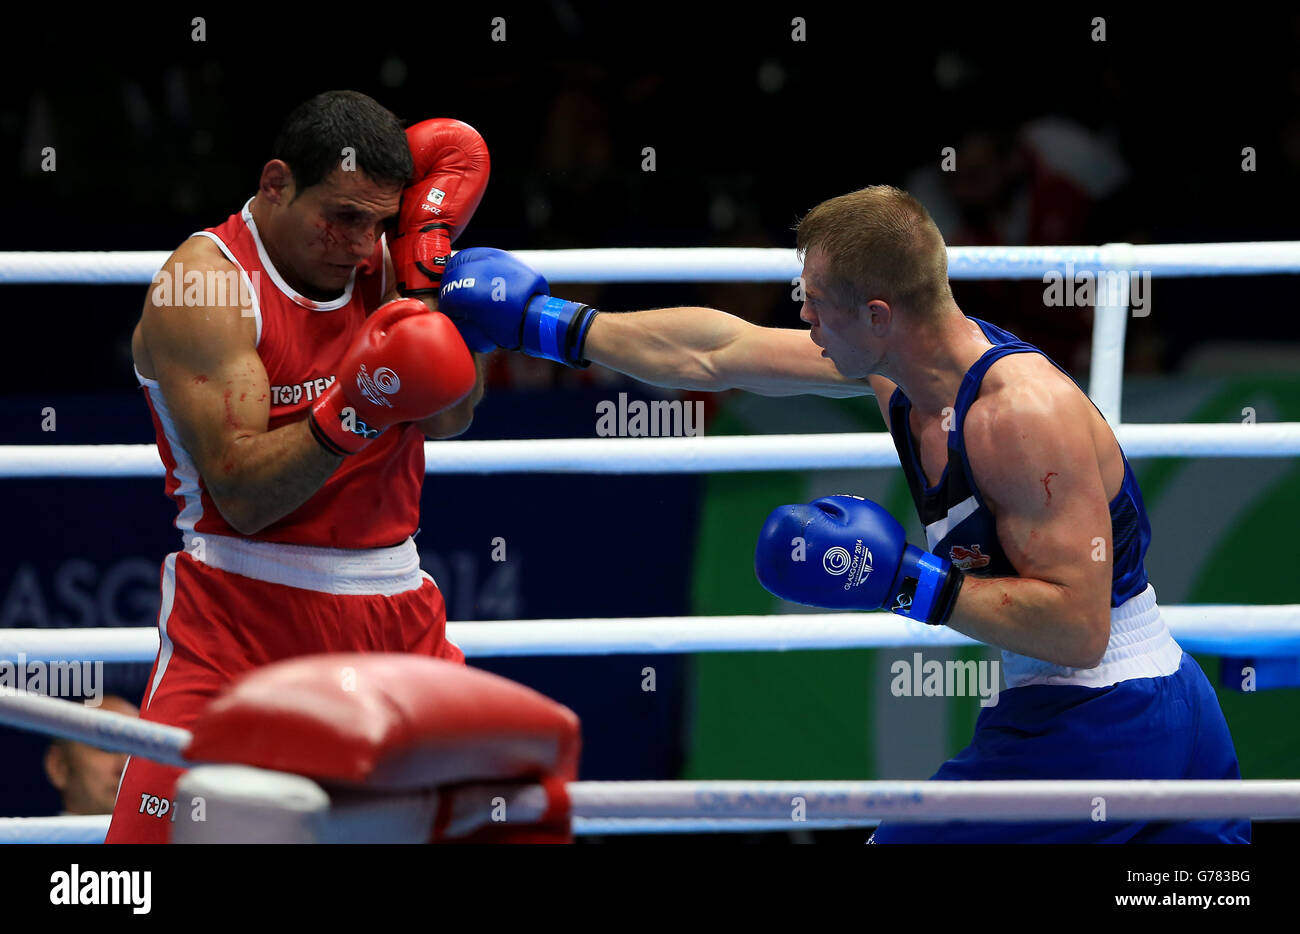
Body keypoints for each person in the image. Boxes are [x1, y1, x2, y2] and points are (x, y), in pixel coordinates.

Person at [435, 184, 1249, 844]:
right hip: (1101, 708)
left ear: (880, 315)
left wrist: (906, 584)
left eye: (816, 302)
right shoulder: (895, 370)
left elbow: (1079, 630)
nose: (803, 319)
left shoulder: (1017, 416)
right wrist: (555, 326)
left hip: (1112, 709)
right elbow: (715, 351)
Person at [106, 90, 489, 844]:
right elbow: (245, 495)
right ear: (276, 182)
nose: (359, 243)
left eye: (379, 221)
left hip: (395, 613)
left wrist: (418, 299)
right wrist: (358, 405)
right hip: (239, 617)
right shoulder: (208, 286)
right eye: (342, 217)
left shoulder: (387, 258)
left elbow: (449, 416)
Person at [45, 695, 139, 815]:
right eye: (107, 747)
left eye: (139, 751)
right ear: (58, 766)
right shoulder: (21, 833)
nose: (126, 768)